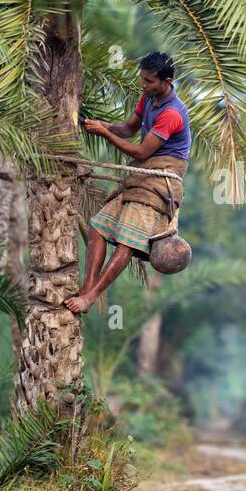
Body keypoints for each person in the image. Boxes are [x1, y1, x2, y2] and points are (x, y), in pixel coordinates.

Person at [66, 51, 190, 313]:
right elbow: (128, 129)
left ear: (167, 82)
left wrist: (104, 134)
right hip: (139, 177)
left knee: (128, 242)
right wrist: (104, 126)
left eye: (149, 81)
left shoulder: (172, 114)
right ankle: (87, 288)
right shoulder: (148, 98)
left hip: (158, 183)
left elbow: (141, 152)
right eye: (142, 79)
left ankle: (91, 297)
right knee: (97, 227)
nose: (143, 85)